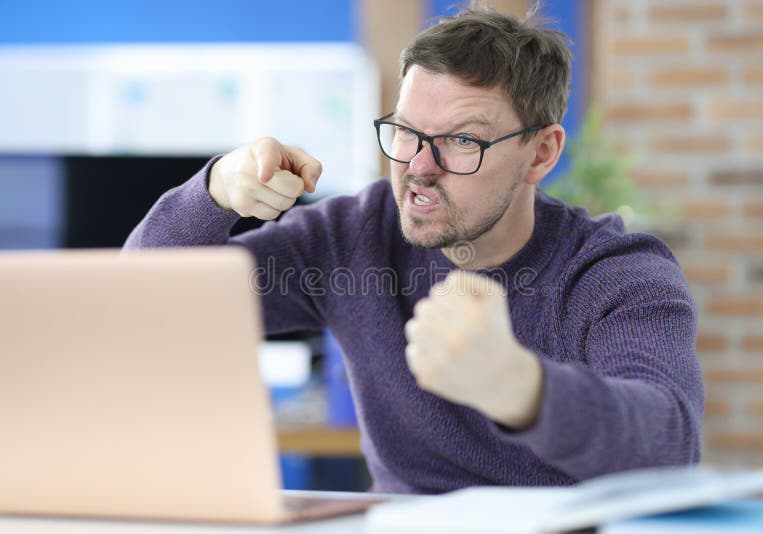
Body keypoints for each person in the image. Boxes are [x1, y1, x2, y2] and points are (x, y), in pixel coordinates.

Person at [124, 5, 704, 494]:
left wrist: (523, 389)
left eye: (462, 139)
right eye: (406, 132)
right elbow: (144, 306)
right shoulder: (352, 236)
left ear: (541, 153)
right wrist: (215, 191)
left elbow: (670, 443)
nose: (418, 169)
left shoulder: (611, 272)